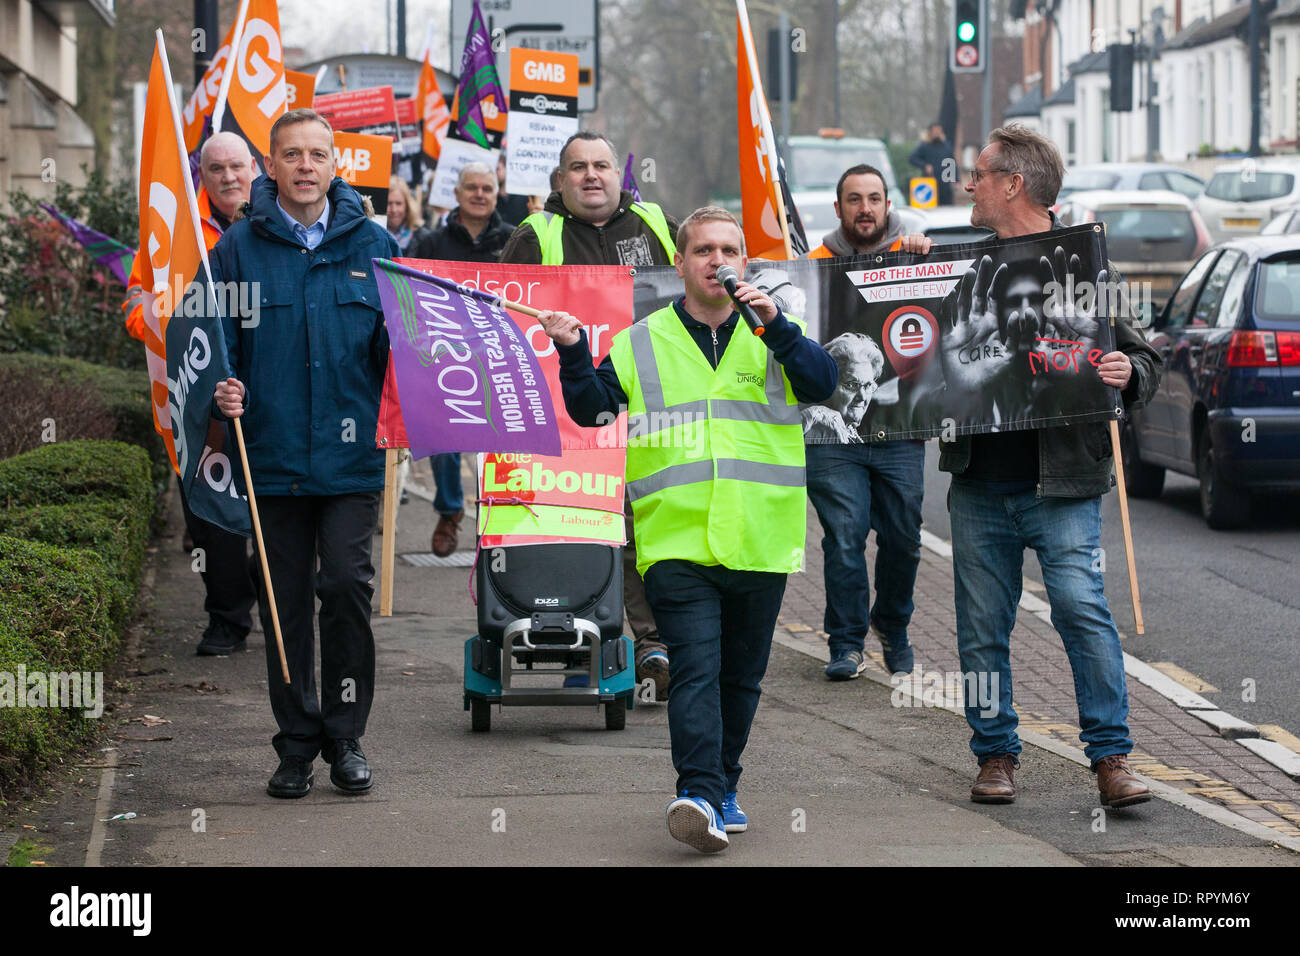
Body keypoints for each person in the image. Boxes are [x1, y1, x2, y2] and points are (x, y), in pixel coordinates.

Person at [539, 206, 837, 852]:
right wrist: (570, 352)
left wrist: (779, 330)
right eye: (702, 249)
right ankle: (697, 791)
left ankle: (724, 783)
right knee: (697, 667)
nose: (717, 260)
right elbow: (593, 410)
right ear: (680, 263)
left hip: (759, 536)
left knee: (742, 676)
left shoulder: (775, 334)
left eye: (729, 249)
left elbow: (823, 383)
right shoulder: (643, 340)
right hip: (674, 541)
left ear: (745, 263)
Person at [921, 124, 1162, 808]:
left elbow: (1146, 358)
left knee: (1083, 612)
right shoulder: (962, 264)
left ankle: (1112, 760)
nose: (969, 186)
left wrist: (1128, 372)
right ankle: (995, 756)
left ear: (1012, 184)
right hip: (979, 482)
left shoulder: (1088, 262)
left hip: (1063, 483)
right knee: (980, 627)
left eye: (979, 175)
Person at [210, 108, 399, 799]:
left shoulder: (374, 245)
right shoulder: (236, 250)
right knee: (283, 603)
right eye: (292, 154)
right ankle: (296, 745)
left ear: (333, 163)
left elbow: (399, 349)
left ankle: (346, 737)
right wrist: (220, 390)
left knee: (346, 589)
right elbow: (213, 343)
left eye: (318, 153)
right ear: (271, 164)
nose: (306, 166)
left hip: (351, 464)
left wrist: (412, 394)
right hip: (272, 459)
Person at [501, 130, 679, 700]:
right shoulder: (537, 235)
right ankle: (628, 639)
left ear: (618, 174)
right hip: (568, 415)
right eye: (578, 168)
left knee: (653, 523)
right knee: (604, 529)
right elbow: (504, 322)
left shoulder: (656, 223)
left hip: (653, 406)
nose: (591, 176)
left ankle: (668, 644)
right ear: (561, 181)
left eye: (601, 165)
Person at [124, 130, 258, 658]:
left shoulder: (275, 221)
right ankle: (226, 620)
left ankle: (279, 611)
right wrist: (157, 317)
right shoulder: (174, 227)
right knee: (209, 515)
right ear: (199, 175)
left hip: (269, 390)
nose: (227, 177)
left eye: (236, 166)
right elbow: (135, 297)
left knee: (279, 514)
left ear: (255, 167)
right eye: (215, 169)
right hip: (199, 402)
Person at [408, 162, 517, 557]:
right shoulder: (431, 242)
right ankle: (450, 510)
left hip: (499, 355)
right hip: (447, 357)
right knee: (443, 438)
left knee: (503, 441)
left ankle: (504, 516)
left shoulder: (515, 240)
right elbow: (409, 293)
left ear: (497, 192)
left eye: (487, 187)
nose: (479, 194)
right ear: (456, 193)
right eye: (471, 187)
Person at [807, 165, 910, 258]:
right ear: (838, 209)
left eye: (874, 199)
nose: (865, 209)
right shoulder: (809, 267)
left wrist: (922, 254)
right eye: (854, 200)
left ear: (887, 207)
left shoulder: (911, 256)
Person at [909, 123, 957, 206]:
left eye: (939, 131)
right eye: (935, 131)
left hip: (945, 185)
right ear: (930, 133)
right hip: (930, 185)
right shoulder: (924, 146)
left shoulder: (947, 146)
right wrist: (924, 165)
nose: (937, 133)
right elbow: (912, 158)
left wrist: (956, 179)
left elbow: (952, 163)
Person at [385, 176, 430, 253]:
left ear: (407, 205)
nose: (394, 210)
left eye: (398, 204)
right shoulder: (373, 236)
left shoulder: (425, 238)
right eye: (389, 203)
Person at [495, 150, 532, 228]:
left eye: (497, 169)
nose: (494, 172)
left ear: (507, 169)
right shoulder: (492, 196)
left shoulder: (524, 197)